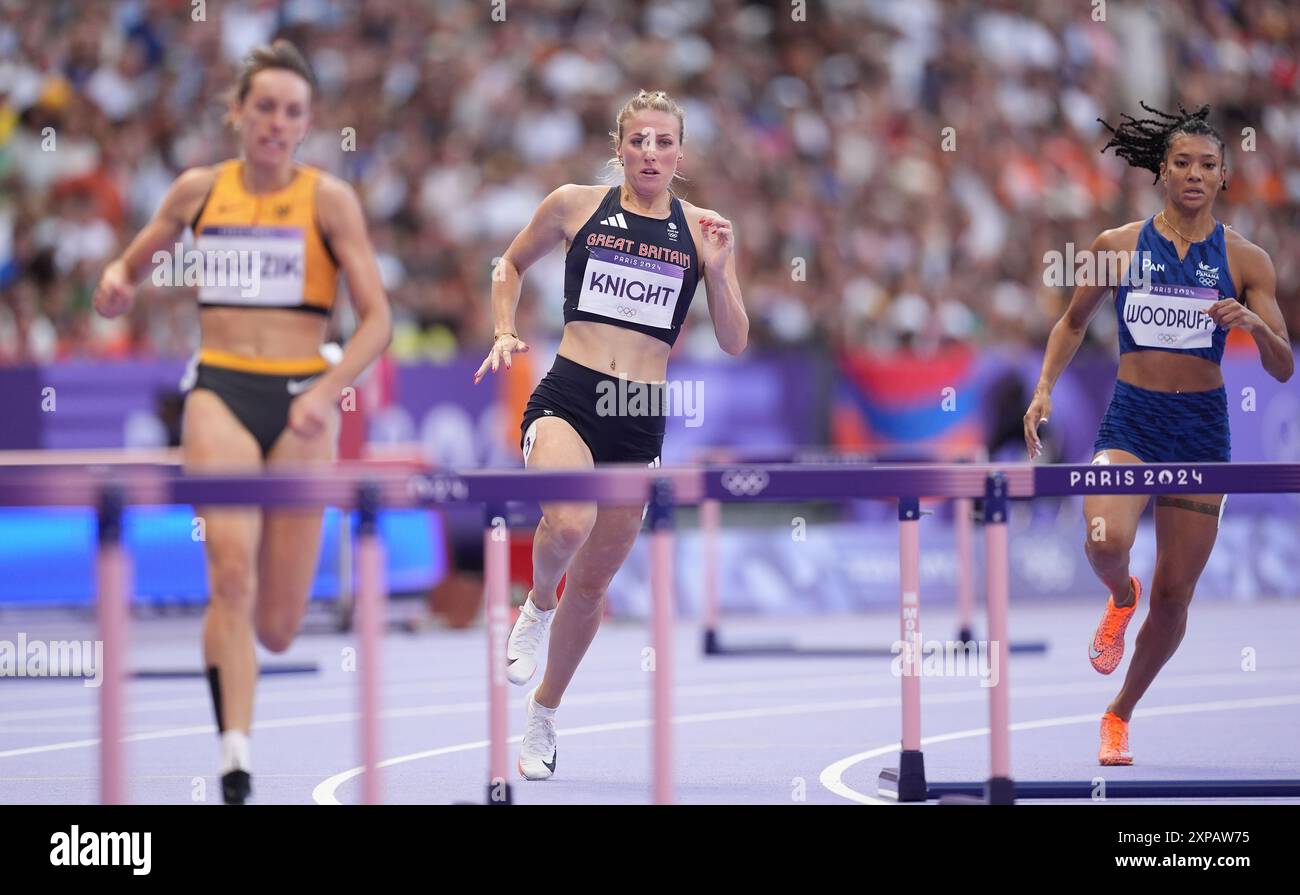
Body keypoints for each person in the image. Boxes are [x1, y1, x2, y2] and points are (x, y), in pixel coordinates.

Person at [93, 40, 393, 803]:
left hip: (303, 404)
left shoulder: (330, 200)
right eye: (264, 106)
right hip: (221, 389)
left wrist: (327, 392)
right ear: (237, 113)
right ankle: (234, 756)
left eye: (293, 111)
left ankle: (253, 668)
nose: (277, 122)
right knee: (229, 572)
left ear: (307, 123)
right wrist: (117, 281)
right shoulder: (198, 191)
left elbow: (378, 322)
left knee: (282, 625)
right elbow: (131, 263)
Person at [474, 89, 748, 780]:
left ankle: (543, 714)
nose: (650, 152)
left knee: (593, 586)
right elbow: (507, 265)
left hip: (639, 409)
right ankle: (534, 605)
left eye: (664, 142)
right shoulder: (575, 204)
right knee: (567, 523)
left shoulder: (704, 229)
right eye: (639, 140)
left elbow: (736, 339)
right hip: (570, 392)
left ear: (681, 155)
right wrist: (505, 328)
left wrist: (718, 273)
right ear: (619, 146)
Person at [1024, 103, 1292, 766]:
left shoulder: (1246, 260)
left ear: (1225, 176)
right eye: (1182, 163)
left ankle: (1119, 712)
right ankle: (1120, 593)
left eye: (1208, 165)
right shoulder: (1116, 247)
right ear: (1162, 172)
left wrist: (1253, 327)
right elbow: (1072, 323)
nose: (1194, 174)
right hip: (1133, 418)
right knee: (1103, 538)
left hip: (1202, 429)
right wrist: (1044, 388)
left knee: (1175, 592)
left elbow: (1283, 366)